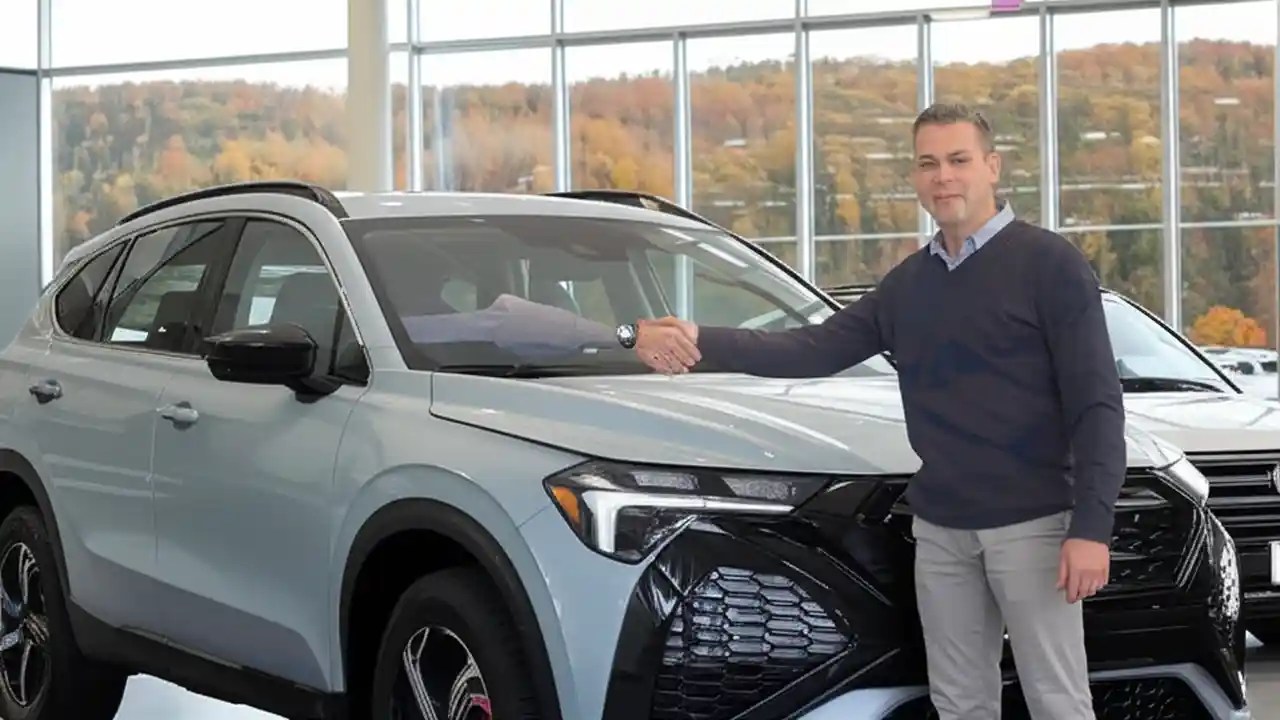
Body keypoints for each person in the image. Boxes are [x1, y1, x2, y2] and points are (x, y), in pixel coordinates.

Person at [621, 102, 1125, 720]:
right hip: (941, 531)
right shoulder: (908, 285)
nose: (944, 177)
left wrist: (1092, 529)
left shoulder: (1050, 266)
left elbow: (1097, 406)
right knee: (961, 703)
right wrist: (698, 337)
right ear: (915, 178)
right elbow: (812, 348)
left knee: (1058, 701)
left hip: (1034, 526)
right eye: (929, 164)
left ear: (992, 167)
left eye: (959, 160)